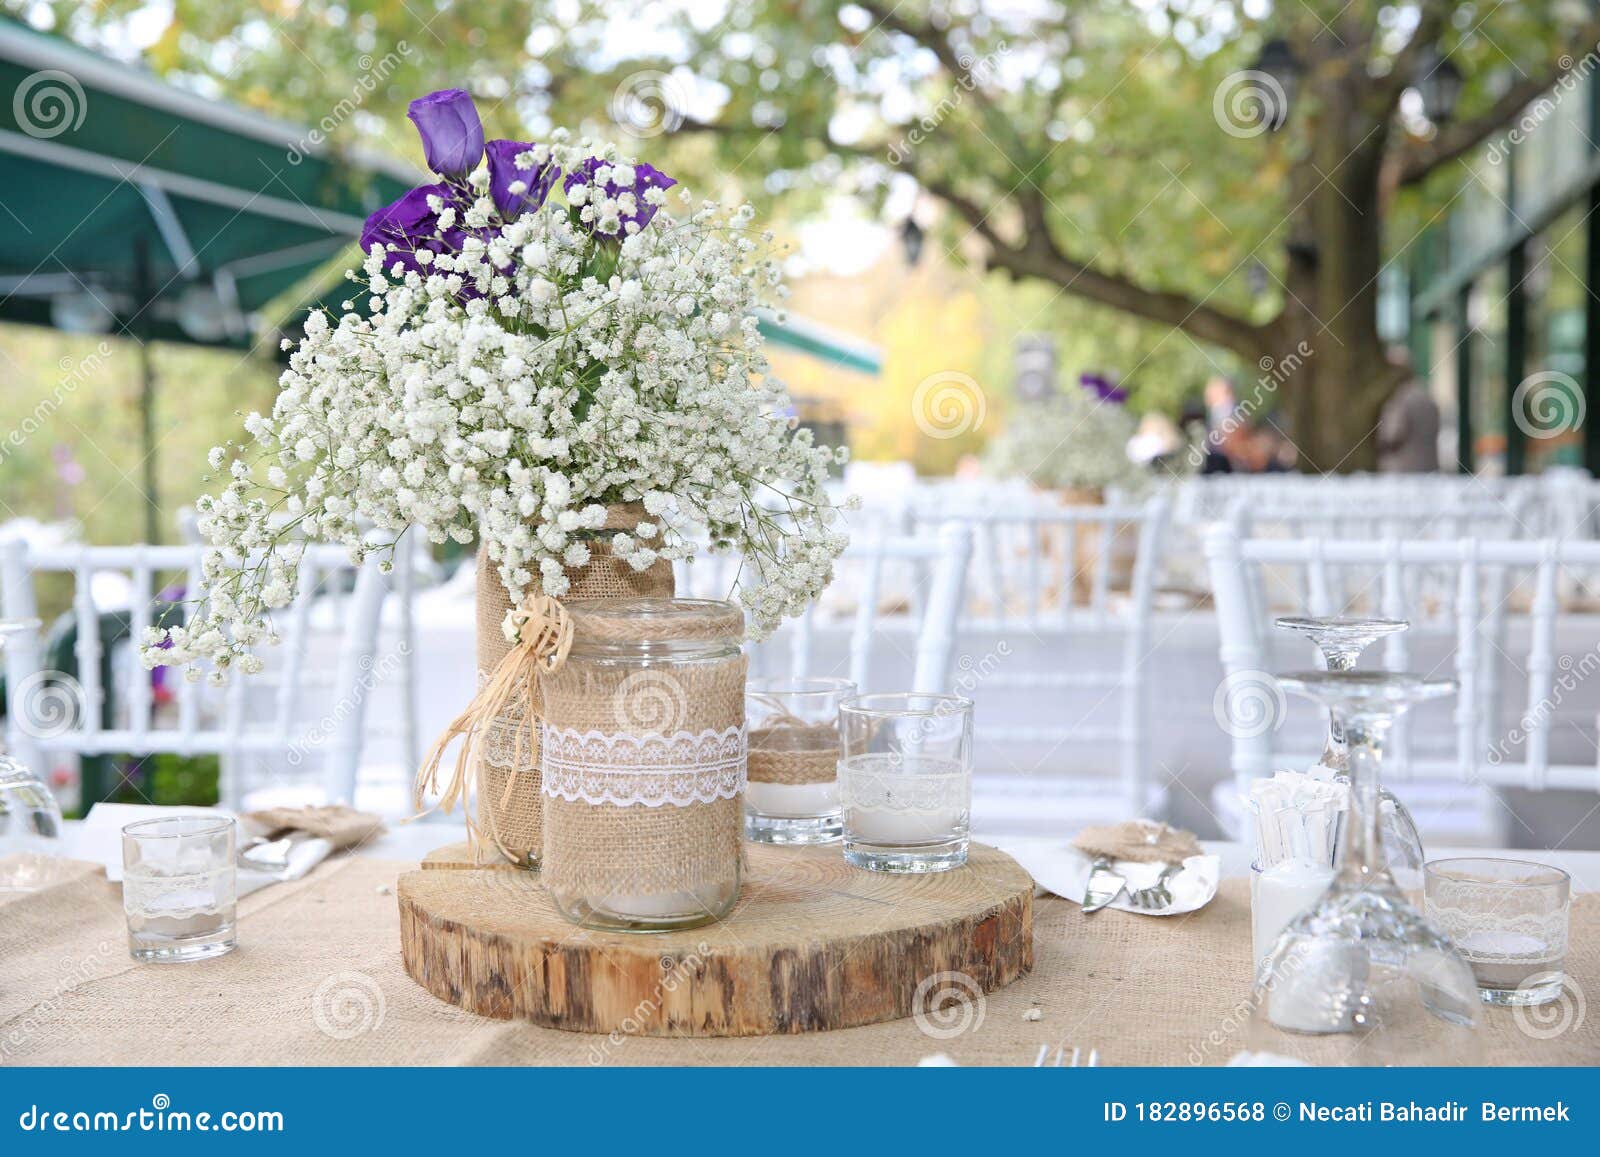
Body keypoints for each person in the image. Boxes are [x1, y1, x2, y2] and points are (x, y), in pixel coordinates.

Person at [1378, 353, 1441, 473]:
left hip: (1404, 471)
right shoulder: (1426, 396)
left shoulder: (1400, 399)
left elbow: (1393, 435)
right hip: (1429, 468)